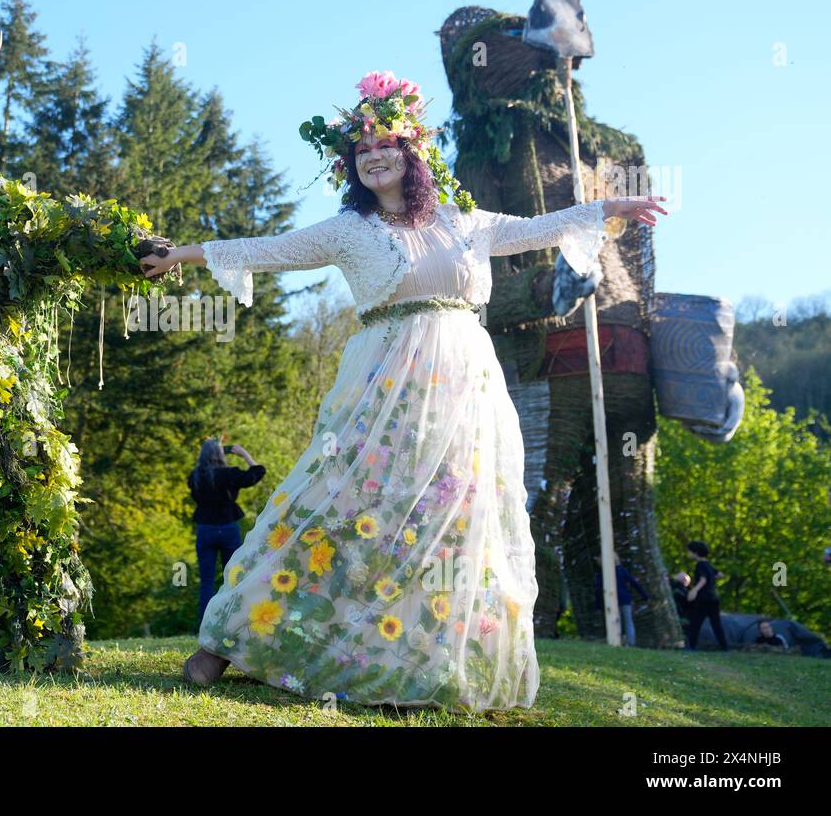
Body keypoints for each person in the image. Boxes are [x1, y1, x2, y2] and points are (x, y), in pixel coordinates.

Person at [138, 70, 668, 712]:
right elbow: (269, 249)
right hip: (382, 386)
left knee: (448, 519)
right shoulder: (348, 230)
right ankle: (226, 643)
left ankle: (420, 663)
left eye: (384, 143)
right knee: (336, 500)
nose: (373, 156)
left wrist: (607, 211)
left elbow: (536, 228)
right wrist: (181, 255)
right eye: (361, 150)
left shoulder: (464, 220)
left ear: (410, 151)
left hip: (463, 393)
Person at [188, 439, 266, 627]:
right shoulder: (229, 474)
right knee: (232, 577)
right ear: (220, 454)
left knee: (206, 581)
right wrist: (244, 454)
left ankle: (204, 624)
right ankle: (232, 622)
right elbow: (257, 473)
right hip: (228, 527)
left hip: (205, 529)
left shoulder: (195, 476)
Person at [593, 552, 650, 646]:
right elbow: (635, 583)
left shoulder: (604, 574)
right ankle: (630, 642)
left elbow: (598, 590)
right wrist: (645, 596)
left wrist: (598, 604)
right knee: (628, 621)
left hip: (611, 600)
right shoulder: (622, 571)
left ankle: (616, 641)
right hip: (625, 599)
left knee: (615, 622)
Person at [684, 540, 729, 651]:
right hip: (713, 598)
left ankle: (691, 647)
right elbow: (720, 575)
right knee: (716, 624)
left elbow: (703, 580)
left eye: (689, 551)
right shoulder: (708, 565)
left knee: (695, 623)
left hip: (703, 599)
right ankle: (724, 647)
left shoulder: (700, 565)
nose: (688, 554)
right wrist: (711, 580)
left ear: (695, 552)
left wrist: (694, 590)